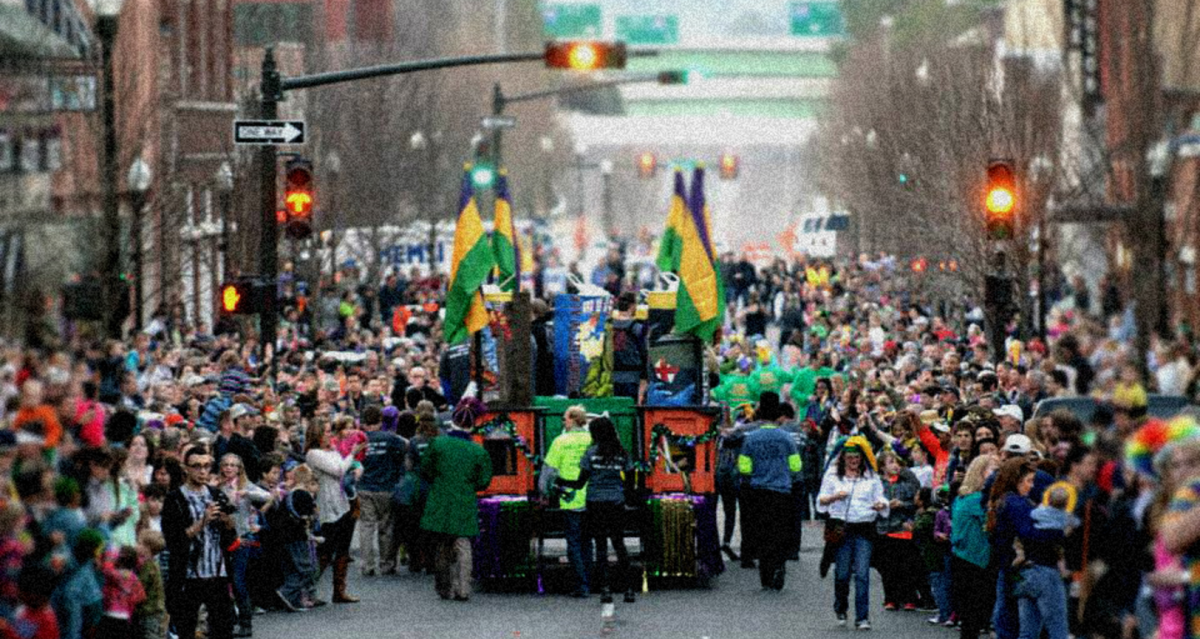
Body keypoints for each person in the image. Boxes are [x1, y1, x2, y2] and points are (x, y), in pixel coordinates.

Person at [556, 416, 636, 604]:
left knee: (600, 546)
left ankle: (605, 589)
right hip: (616, 503)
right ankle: (629, 589)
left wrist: (561, 482)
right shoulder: (622, 453)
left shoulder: (590, 453)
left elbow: (579, 483)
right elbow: (630, 482)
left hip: (595, 504)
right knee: (619, 544)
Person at [419, 398, 492, 601]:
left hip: (440, 498)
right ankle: (463, 589)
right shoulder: (478, 450)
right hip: (464, 500)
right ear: (472, 424)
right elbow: (484, 481)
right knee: (463, 544)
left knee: (442, 545)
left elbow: (425, 470)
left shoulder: (437, 444)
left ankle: (444, 588)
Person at [161, 446, 237, 639]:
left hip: (217, 571)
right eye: (196, 466)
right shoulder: (175, 499)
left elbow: (230, 534)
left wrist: (227, 522)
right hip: (189, 574)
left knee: (223, 628)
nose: (202, 471)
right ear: (186, 468)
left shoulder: (216, 494)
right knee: (186, 628)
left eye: (206, 466)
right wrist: (202, 522)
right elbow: (174, 539)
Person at [817, 436, 889, 631]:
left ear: (862, 458)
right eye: (849, 457)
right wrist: (835, 497)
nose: (853, 461)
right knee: (842, 574)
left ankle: (862, 617)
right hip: (842, 529)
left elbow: (881, 497)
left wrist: (881, 504)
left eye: (857, 457)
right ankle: (840, 607)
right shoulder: (833, 475)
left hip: (864, 528)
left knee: (863, 573)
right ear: (843, 458)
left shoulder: (871, 476)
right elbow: (821, 502)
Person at [737, 392, 801, 590]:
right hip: (781, 491)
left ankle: (765, 576)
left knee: (762, 533)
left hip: (758, 491)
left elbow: (744, 467)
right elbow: (796, 467)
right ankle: (779, 564)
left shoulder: (751, 439)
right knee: (780, 531)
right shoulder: (786, 438)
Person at [304, 419, 367, 604]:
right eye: (325, 432)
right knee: (326, 549)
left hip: (342, 501)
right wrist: (352, 454)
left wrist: (354, 463)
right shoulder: (313, 454)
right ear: (316, 434)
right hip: (327, 503)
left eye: (330, 431)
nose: (329, 435)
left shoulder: (332, 450)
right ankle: (308, 589)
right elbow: (338, 470)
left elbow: (345, 468)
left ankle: (339, 590)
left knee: (343, 548)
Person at [543, 405, 594, 597]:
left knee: (573, 542)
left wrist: (545, 492)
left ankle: (581, 585)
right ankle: (589, 580)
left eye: (564, 419)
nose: (563, 422)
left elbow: (549, 471)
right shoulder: (592, 440)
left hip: (570, 498)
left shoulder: (560, 441)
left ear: (572, 420)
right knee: (587, 542)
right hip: (591, 498)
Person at [357, 404, 407, 576]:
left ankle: (367, 564)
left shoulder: (360, 439)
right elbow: (406, 447)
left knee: (366, 526)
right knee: (386, 527)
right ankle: (386, 563)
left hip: (364, 486)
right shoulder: (390, 438)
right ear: (380, 420)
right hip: (386, 487)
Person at [951, 454, 998, 639]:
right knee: (973, 617)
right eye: (993, 470)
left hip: (964, 558)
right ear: (980, 473)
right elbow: (992, 525)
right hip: (973, 561)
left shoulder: (963, 497)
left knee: (970, 621)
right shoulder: (977, 500)